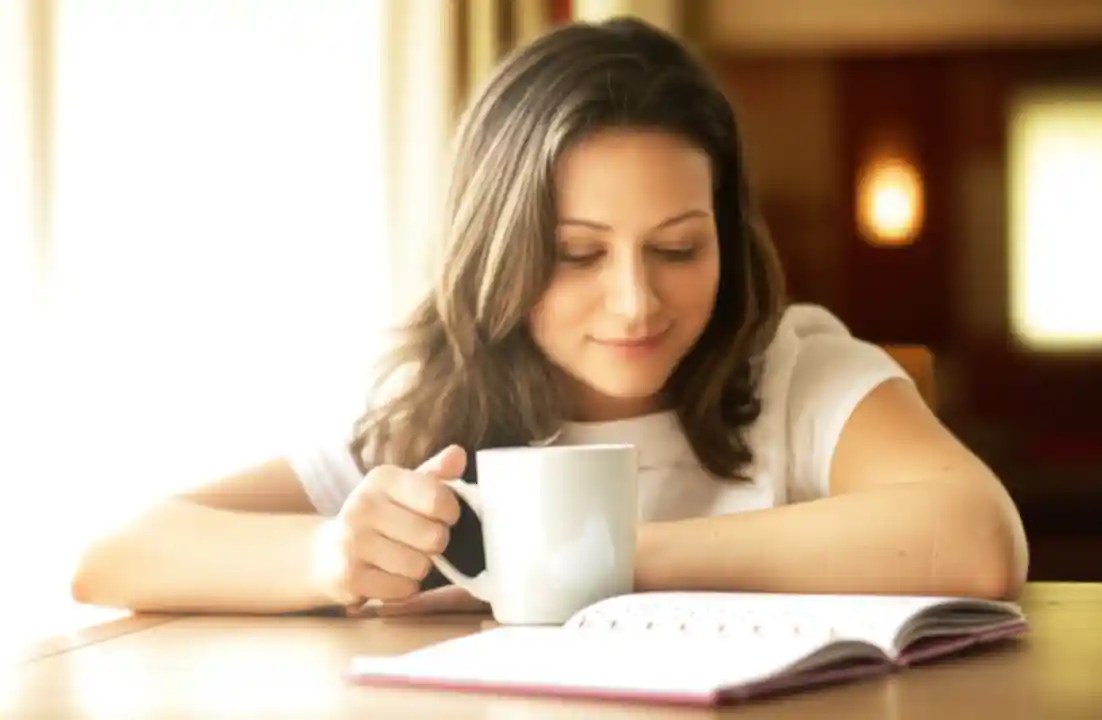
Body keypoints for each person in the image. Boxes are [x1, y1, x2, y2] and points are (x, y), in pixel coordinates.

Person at [71, 18, 1028, 616]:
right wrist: (331, 555)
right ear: (499, 249)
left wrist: (592, 562)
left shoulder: (788, 368)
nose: (634, 301)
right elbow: (115, 554)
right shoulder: (428, 409)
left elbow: (976, 537)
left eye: (679, 247)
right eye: (577, 255)